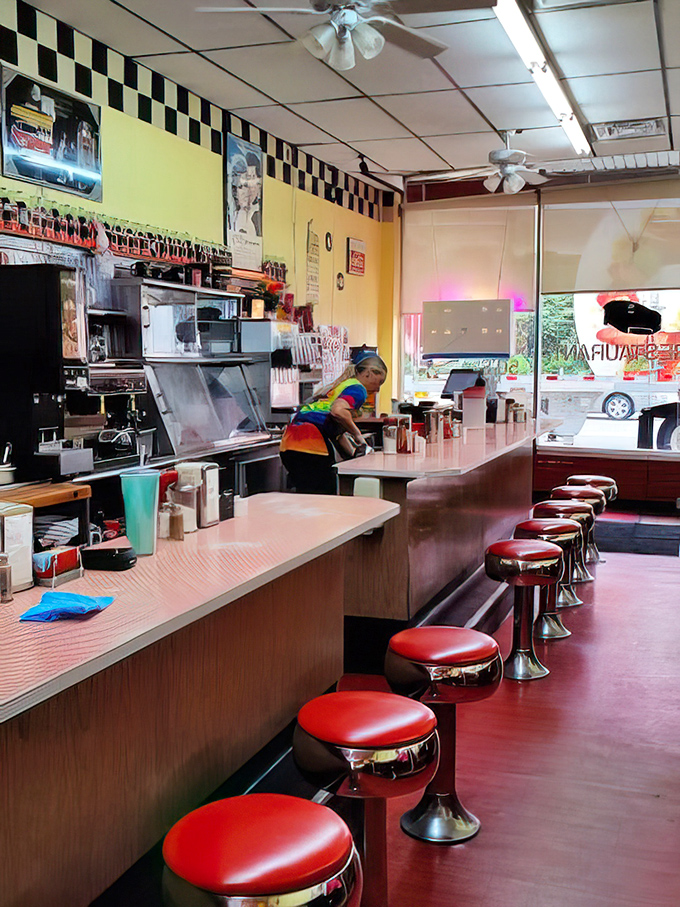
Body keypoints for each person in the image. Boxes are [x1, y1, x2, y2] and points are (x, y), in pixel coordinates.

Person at [280, 353, 388, 494]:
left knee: (306, 497)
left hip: (290, 445)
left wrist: (355, 454)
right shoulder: (358, 389)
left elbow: (337, 434)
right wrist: (358, 436)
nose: (377, 389)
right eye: (379, 382)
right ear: (368, 373)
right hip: (311, 444)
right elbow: (337, 411)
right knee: (324, 499)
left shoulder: (341, 386)